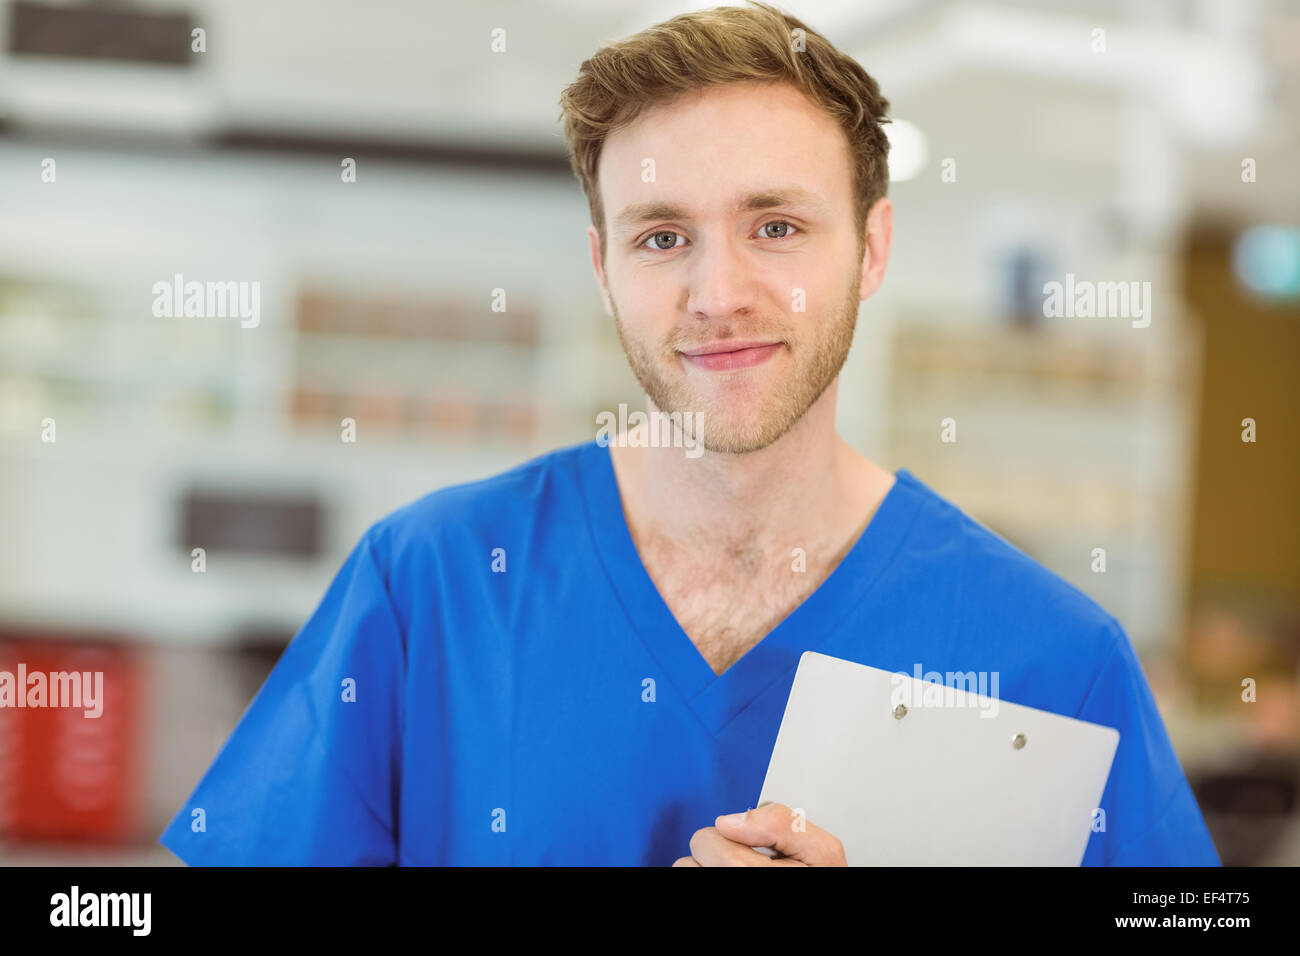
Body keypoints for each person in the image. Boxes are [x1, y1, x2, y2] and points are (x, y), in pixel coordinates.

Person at [159, 1, 1220, 866]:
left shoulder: (1050, 658)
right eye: (662, 236)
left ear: (872, 247)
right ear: (604, 269)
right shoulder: (433, 584)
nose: (719, 292)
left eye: (775, 226)